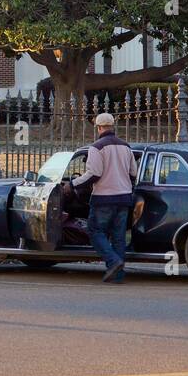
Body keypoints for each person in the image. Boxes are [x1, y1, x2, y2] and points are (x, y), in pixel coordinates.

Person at [71, 111, 137, 283]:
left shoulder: (97, 147)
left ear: (98, 128)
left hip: (104, 198)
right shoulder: (126, 146)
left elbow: (94, 174)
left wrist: (72, 184)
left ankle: (113, 261)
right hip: (124, 198)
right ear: (112, 126)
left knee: (94, 231)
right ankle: (118, 276)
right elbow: (133, 173)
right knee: (118, 236)